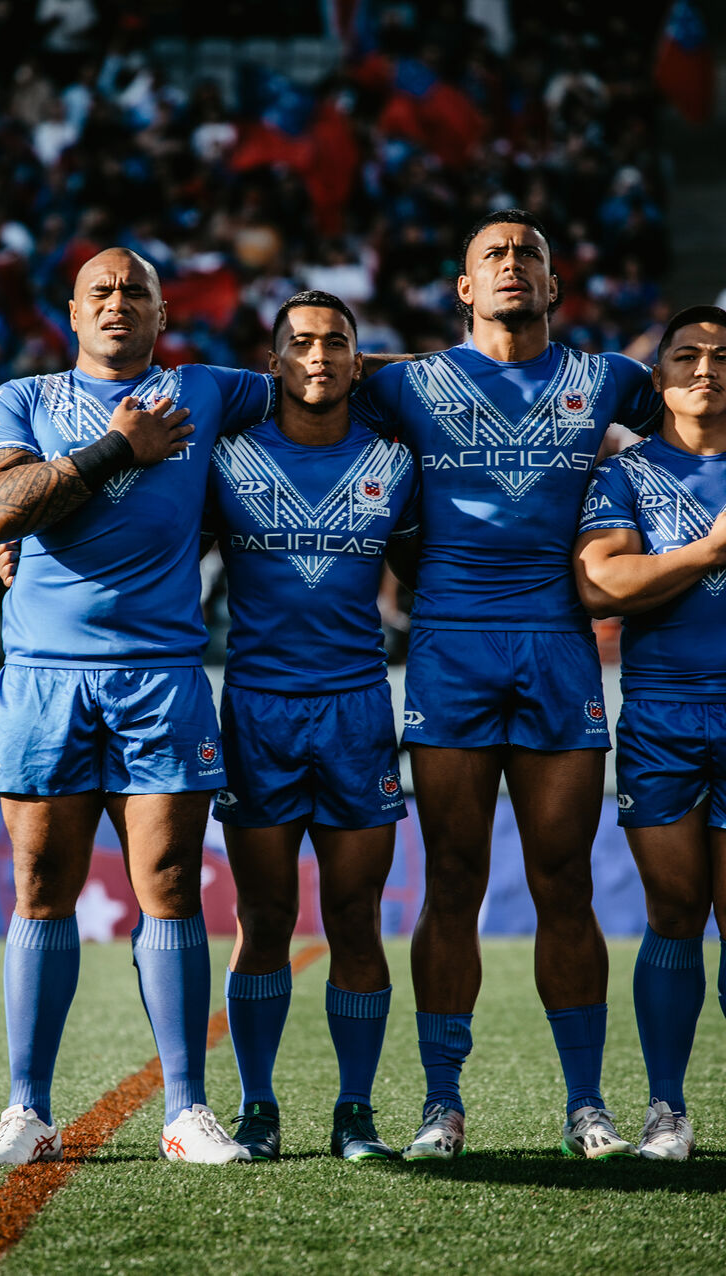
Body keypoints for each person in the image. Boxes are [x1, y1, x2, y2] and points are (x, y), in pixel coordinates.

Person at [350, 208, 661, 1160]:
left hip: (561, 647)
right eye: (493, 254)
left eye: (530, 253)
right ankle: (442, 1104)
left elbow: (698, 425)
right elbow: (292, 410)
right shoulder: (406, 385)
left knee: (565, 880)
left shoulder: (611, 379)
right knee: (452, 879)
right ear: (464, 286)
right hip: (450, 648)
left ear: (556, 285)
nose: (513, 264)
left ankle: (586, 1104)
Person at [0, 247, 275, 1167]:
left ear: (161, 311)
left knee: (172, 885)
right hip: (45, 679)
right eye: (100, 290)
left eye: (134, 290)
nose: (116, 303)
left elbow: (318, 371)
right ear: (72, 310)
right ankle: (27, 1109)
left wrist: (471, 368)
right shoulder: (21, 400)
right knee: (39, 888)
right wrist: (116, 449)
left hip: (163, 678)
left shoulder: (209, 391)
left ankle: (186, 1110)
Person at [209, 290, 420, 1162]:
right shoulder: (224, 461)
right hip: (256, 710)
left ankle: (355, 1112)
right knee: (262, 918)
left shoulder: (396, 465)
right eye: (300, 343)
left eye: (336, 342)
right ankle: (258, 1109)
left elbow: (425, 573)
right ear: (275, 363)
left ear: (357, 361)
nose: (319, 356)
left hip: (358, 712)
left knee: (355, 918)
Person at [574, 305, 726, 1160]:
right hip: (664, 715)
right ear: (658, 377)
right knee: (675, 911)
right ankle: (667, 1110)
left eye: (722, 356)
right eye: (688, 355)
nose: (707, 368)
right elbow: (603, 582)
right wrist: (709, 554)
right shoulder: (626, 475)